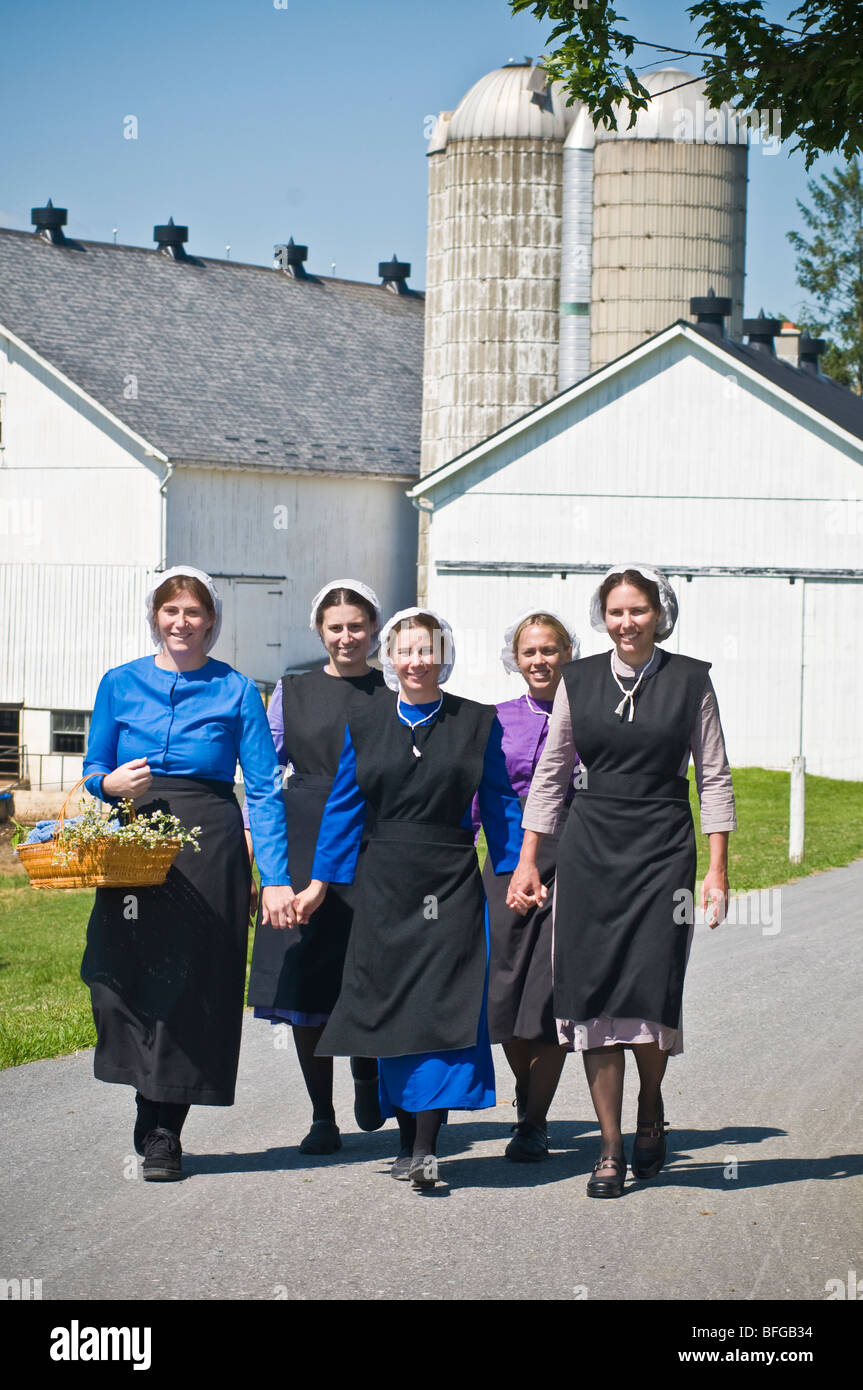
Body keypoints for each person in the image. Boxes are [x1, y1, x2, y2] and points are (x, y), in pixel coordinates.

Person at [508, 565, 736, 1198]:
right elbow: (552, 777)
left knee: (652, 988)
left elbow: (713, 777)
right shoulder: (577, 681)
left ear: (659, 613)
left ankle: (650, 1102)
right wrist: (529, 860)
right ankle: (609, 1147)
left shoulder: (692, 680)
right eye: (615, 612)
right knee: (592, 991)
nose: (627, 622)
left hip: (665, 848)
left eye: (638, 610)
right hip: (590, 849)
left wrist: (717, 871)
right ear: (601, 618)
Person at [292, 609, 524, 1189]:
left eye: (429, 650)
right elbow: (345, 805)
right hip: (383, 884)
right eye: (407, 651)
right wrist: (322, 881)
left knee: (441, 1009)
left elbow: (500, 802)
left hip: (450, 884)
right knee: (392, 1009)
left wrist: (518, 869)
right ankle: (402, 1132)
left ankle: (424, 1146)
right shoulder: (365, 720)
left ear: (444, 656)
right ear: (390, 658)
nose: (418, 660)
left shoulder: (477, 722)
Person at [81, 565, 294, 1181]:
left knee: (190, 983)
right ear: (155, 616)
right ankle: (145, 1097)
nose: (181, 622)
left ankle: (163, 1130)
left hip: (211, 844)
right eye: (171, 611)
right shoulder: (119, 684)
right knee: (115, 973)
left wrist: (273, 874)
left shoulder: (235, 690)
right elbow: (95, 764)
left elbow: (262, 788)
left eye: (193, 612)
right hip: (134, 837)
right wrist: (107, 783)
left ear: (211, 622)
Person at [243, 580, 386, 1155]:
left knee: (371, 966)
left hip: (374, 836)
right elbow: (262, 773)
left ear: (374, 630)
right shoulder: (292, 691)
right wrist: (263, 858)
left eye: (357, 626)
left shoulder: (393, 688)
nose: (347, 636)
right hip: (304, 832)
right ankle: (322, 1114)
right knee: (306, 974)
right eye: (336, 627)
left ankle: (368, 1071)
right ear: (320, 631)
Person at [474, 610, 581, 1163]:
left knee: (548, 994)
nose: (540, 660)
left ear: (569, 653)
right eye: (530, 652)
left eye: (550, 650)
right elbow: (474, 795)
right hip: (505, 865)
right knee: (504, 992)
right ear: (515, 660)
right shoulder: (495, 719)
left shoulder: (591, 713)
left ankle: (533, 1121)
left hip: (574, 864)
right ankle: (527, 1093)